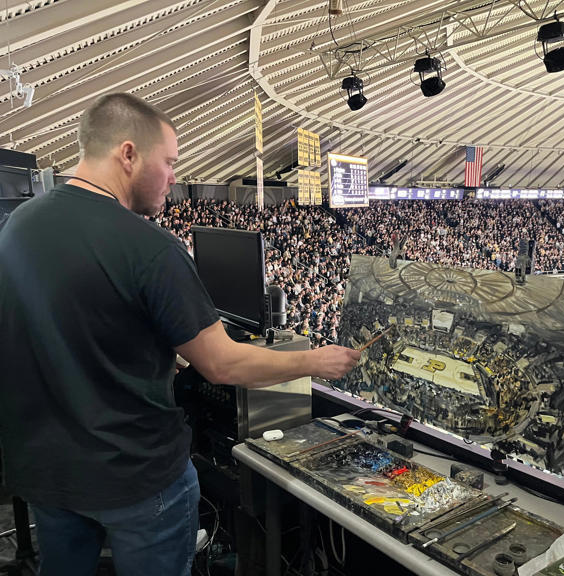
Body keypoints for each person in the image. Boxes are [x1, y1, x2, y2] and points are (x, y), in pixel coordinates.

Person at [0, 93, 360, 576]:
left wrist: (147, 352)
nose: (174, 177)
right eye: (169, 162)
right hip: (136, 478)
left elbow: (59, 328)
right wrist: (315, 361)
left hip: (48, 472)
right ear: (128, 154)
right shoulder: (151, 246)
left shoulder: (17, 225)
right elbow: (223, 364)